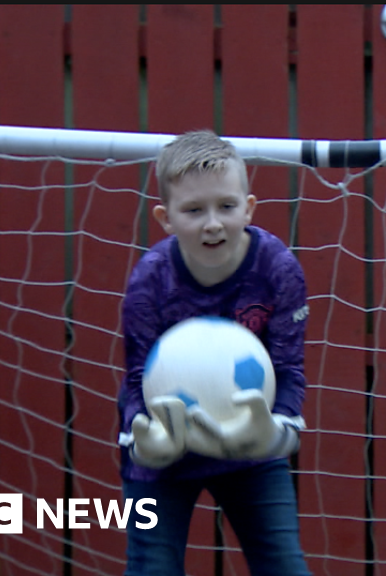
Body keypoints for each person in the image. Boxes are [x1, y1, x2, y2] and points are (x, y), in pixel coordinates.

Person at [116, 129, 312, 576]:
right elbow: (135, 379)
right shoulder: (150, 279)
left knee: (284, 565)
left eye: (226, 206)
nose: (212, 223)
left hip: (249, 441)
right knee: (152, 568)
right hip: (166, 446)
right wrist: (141, 438)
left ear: (249, 207)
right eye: (193, 210)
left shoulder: (277, 268)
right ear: (165, 218)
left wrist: (278, 428)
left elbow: (287, 367)